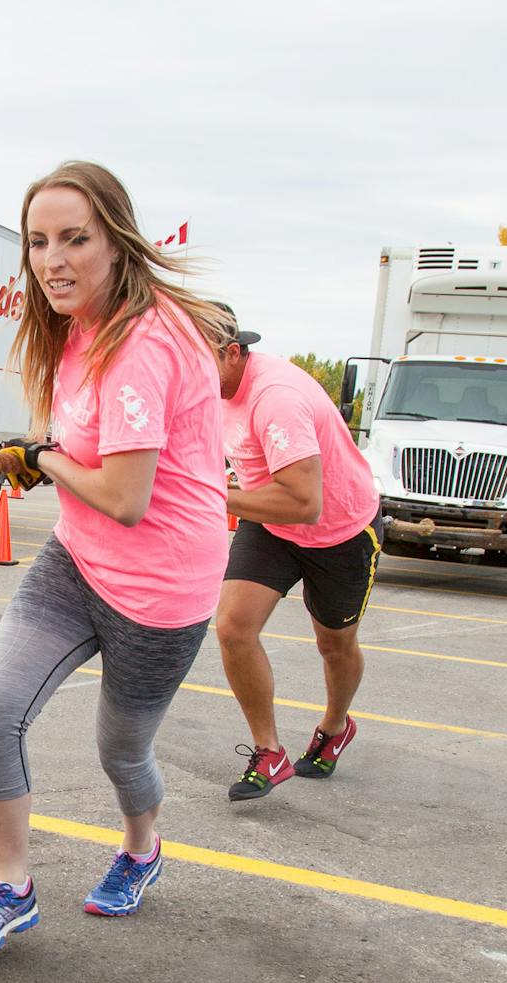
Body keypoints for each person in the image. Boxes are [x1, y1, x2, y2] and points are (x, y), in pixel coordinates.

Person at [0, 161, 230, 956]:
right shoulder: (81, 329)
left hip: (161, 590)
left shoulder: (142, 342)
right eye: (38, 242)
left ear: (116, 240)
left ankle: (142, 850)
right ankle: (12, 890)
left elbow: (126, 495)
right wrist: (52, 457)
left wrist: (44, 457)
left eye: (75, 238)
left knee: (121, 751)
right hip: (78, 563)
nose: (53, 259)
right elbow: (85, 462)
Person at [211, 310, 382, 799]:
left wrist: (213, 493)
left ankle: (335, 727)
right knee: (233, 627)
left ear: (233, 351)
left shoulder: (276, 399)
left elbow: (306, 503)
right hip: (269, 523)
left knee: (335, 644)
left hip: (339, 529)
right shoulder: (210, 388)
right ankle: (270, 752)